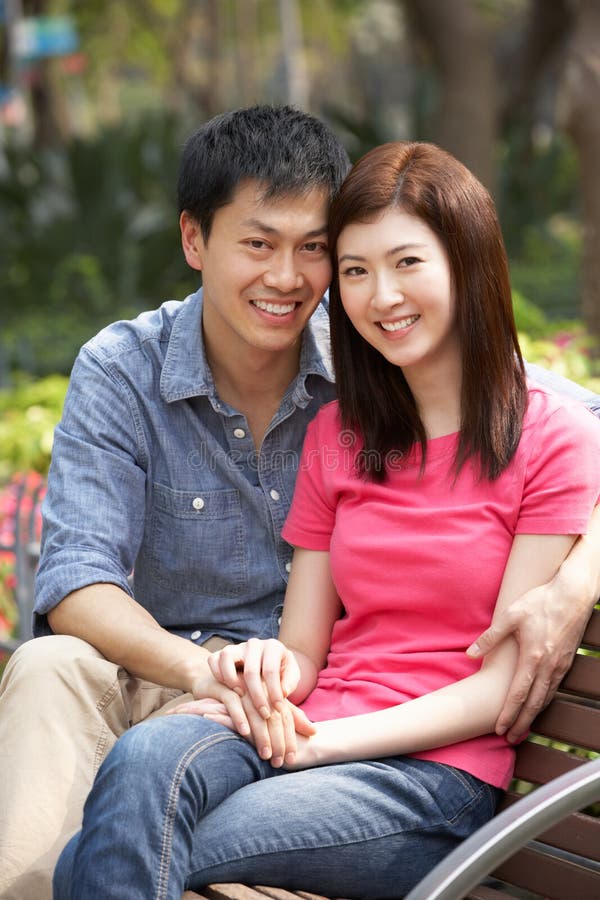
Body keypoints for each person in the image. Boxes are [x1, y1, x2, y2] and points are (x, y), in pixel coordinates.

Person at [0, 107, 598, 900]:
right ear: (193, 240)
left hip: (415, 767)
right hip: (274, 704)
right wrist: (245, 676)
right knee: (127, 760)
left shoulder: (528, 422)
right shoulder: (342, 430)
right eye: (354, 269)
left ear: (469, 264)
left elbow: (496, 682)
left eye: (315, 251)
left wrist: (582, 575)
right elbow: (291, 642)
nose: (296, 279)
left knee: (102, 853)